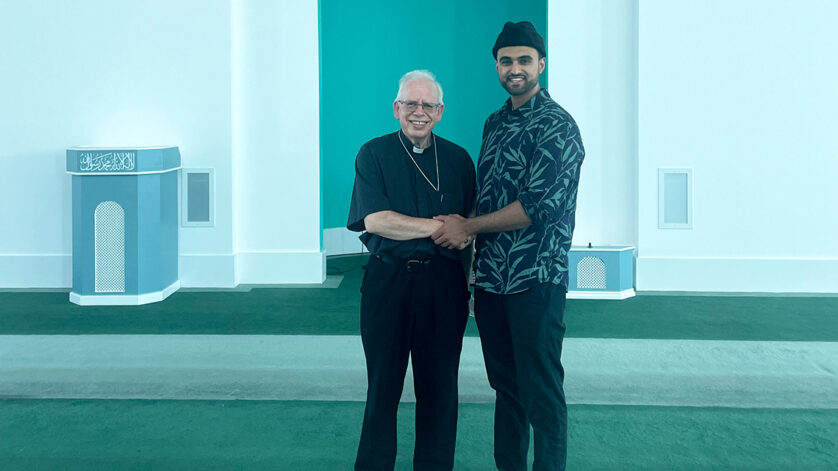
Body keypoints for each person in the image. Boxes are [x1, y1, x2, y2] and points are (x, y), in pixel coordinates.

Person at [431, 21, 585, 471]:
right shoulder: (495, 122)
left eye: (523, 60)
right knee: (506, 387)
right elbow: (488, 194)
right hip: (494, 282)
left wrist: (469, 227)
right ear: (496, 66)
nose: (514, 69)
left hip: (536, 279)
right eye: (506, 61)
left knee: (540, 390)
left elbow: (537, 204)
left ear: (541, 64)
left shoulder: (558, 125)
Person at [347, 69, 476, 471]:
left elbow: (470, 229)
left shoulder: (457, 159)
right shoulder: (374, 154)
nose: (418, 112)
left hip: (444, 287)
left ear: (440, 112)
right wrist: (441, 227)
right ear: (396, 109)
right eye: (410, 104)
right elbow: (377, 221)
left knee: (440, 391)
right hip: (389, 282)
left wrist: (468, 288)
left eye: (427, 105)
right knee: (381, 390)